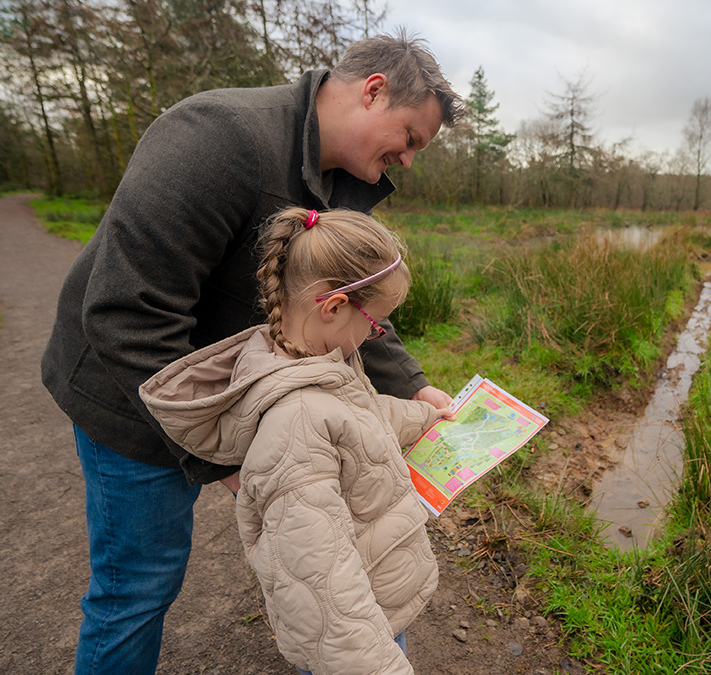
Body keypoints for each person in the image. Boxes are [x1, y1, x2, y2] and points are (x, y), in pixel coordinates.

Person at [41, 31, 464, 673]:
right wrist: (224, 456)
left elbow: (356, 303)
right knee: (139, 587)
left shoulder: (347, 182)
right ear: (374, 92)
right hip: (132, 397)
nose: (408, 161)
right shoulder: (217, 139)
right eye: (410, 139)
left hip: (246, 392)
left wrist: (411, 386)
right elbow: (126, 313)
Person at [140, 206, 453, 674]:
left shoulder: (315, 366)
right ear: (333, 307)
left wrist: (425, 415)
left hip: (374, 603)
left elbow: (362, 418)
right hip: (352, 642)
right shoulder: (296, 420)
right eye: (375, 321)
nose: (376, 334)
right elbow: (321, 580)